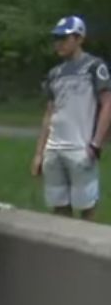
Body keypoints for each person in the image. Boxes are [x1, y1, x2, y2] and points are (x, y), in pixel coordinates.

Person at [31, 15, 111, 220]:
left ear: (79, 39)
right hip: (54, 149)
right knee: (59, 209)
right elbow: (49, 113)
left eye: (64, 38)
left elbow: (107, 104)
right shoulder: (54, 73)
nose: (59, 43)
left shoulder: (94, 67)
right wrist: (39, 153)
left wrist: (96, 144)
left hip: (80, 148)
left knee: (87, 208)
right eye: (57, 38)